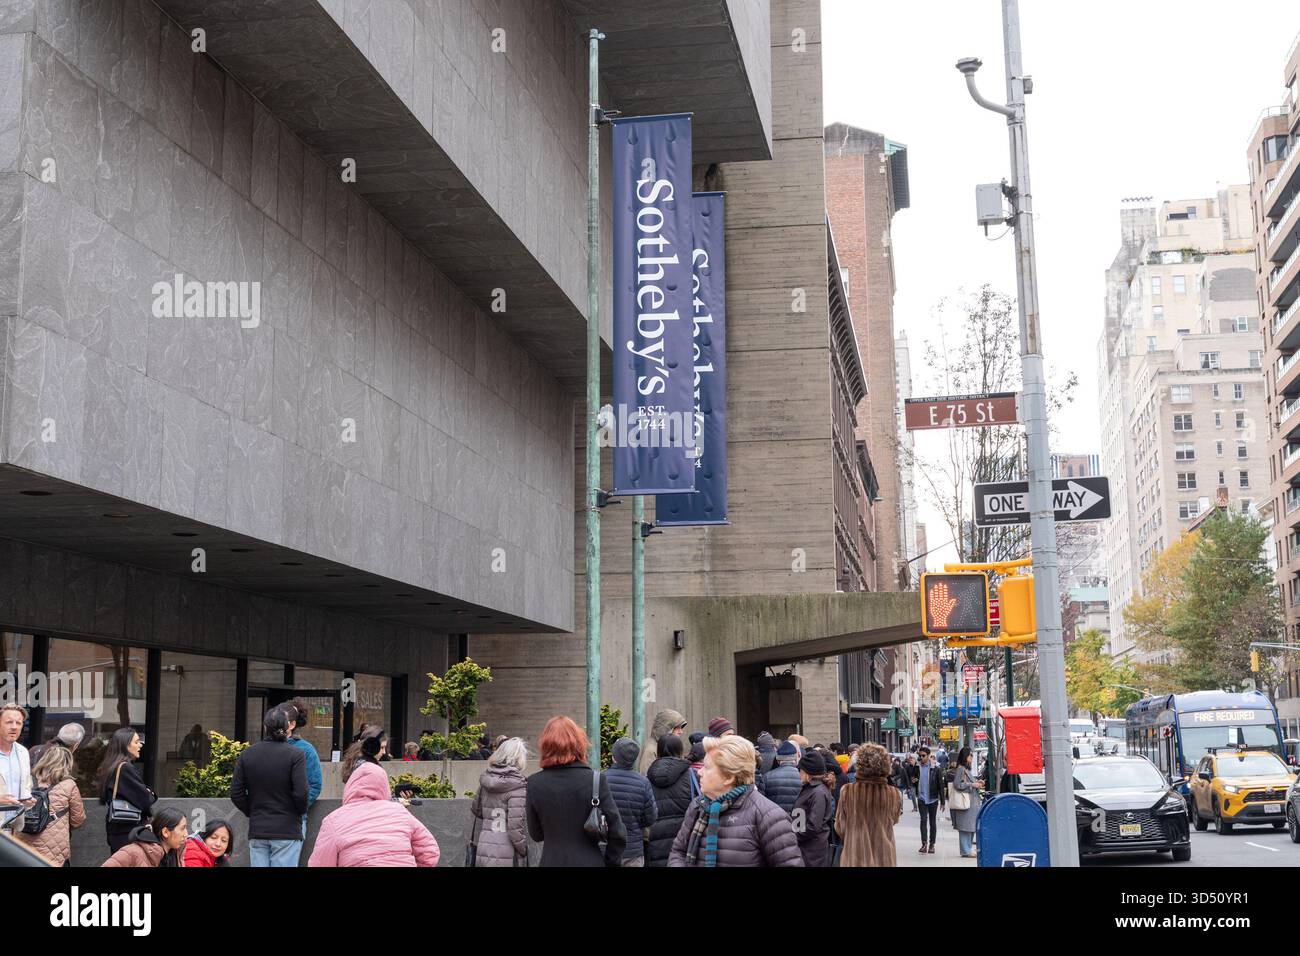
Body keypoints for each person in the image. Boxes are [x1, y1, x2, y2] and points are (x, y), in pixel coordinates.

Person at [668, 735, 803, 867]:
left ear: (728, 777)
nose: (699, 772)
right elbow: (678, 852)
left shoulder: (769, 817)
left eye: (707, 767)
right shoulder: (698, 806)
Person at [524, 716, 625, 867]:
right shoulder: (595, 781)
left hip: (551, 861)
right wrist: (611, 862)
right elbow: (617, 832)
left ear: (545, 746)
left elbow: (536, 834)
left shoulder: (534, 783)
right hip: (590, 861)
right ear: (579, 744)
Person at [308, 761, 441, 867]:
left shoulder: (333, 820)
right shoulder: (399, 811)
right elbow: (430, 852)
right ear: (384, 786)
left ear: (350, 786)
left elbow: (320, 862)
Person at [230, 707, 308, 867]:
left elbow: (236, 793)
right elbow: (302, 793)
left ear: (265, 727)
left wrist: (253, 811)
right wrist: (296, 813)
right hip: (287, 828)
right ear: (287, 728)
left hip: (258, 828)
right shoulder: (296, 754)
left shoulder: (247, 754)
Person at [13, 744, 85, 866]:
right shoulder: (69, 785)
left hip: (22, 842)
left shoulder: (28, 780)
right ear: (67, 764)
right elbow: (78, 820)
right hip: (54, 849)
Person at [835, 743, 901, 867]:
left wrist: (854, 835)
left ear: (859, 764)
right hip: (884, 856)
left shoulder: (847, 791)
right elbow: (894, 820)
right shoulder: (894, 794)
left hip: (855, 856)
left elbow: (840, 826)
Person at [470, 736, 529, 867]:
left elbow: (476, 809)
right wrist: (524, 849)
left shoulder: (486, 778)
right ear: (519, 758)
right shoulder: (518, 785)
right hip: (506, 852)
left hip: (484, 846)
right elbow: (515, 828)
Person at [97, 726, 156, 853]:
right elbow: (146, 800)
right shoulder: (125, 768)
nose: (140, 745)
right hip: (130, 831)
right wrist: (150, 793)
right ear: (125, 745)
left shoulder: (111, 767)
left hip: (118, 829)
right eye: (136, 742)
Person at [602, 737, 657, 867]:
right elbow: (651, 818)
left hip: (606, 848)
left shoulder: (601, 779)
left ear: (614, 757)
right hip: (633, 850)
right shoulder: (643, 783)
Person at [646, 734, 694, 867]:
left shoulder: (647, 777)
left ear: (659, 751)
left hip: (656, 840)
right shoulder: (691, 775)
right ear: (680, 750)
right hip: (685, 839)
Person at [279, 699, 323, 839]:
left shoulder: (306, 750)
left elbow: (314, 785)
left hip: (293, 820)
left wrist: (294, 808)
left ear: (292, 724)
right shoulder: (262, 748)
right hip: (263, 819)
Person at [102, 807, 187, 867]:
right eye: (182, 828)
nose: (186, 834)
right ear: (165, 832)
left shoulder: (177, 853)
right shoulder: (134, 852)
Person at [793, 749, 833, 867]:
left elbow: (813, 826)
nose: (799, 773)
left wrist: (794, 836)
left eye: (800, 770)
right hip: (808, 847)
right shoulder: (811, 788)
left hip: (811, 850)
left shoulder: (818, 792)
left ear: (808, 772)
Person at [0, 704, 33, 830]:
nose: (14, 727)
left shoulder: (23, 752)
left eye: (18, 723)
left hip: (14, 828)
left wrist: (27, 799)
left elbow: (26, 786)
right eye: (9, 722)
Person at [907, 745, 945, 854]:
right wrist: (913, 780)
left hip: (933, 799)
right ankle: (924, 844)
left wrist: (942, 802)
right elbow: (912, 779)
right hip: (922, 799)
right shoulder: (917, 767)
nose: (921, 758)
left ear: (928, 756)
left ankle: (932, 844)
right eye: (920, 756)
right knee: (923, 820)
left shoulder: (936, 768)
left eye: (923, 756)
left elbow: (940, 786)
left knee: (932, 822)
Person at [952, 746, 983, 858]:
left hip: (971, 804)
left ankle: (968, 848)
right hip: (966, 803)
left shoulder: (965, 769)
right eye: (970, 755)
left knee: (969, 827)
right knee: (965, 827)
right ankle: (965, 850)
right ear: (965, 756)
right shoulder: (961, 769)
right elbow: (957, 784)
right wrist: (972, 784)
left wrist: (976, 782)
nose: (971, 757)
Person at [638, 709, 687, 774]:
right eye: (677, 728)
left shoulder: (664, 745)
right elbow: (645, 777)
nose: (681, 732)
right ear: (667, 728)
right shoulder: (651, 750)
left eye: (681, 728)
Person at [764, 740, 803, 815]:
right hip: (798, 819)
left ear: (778, 760)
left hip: (775, 818)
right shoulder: (803, 776)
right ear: (795, 759)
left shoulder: (767, 776)